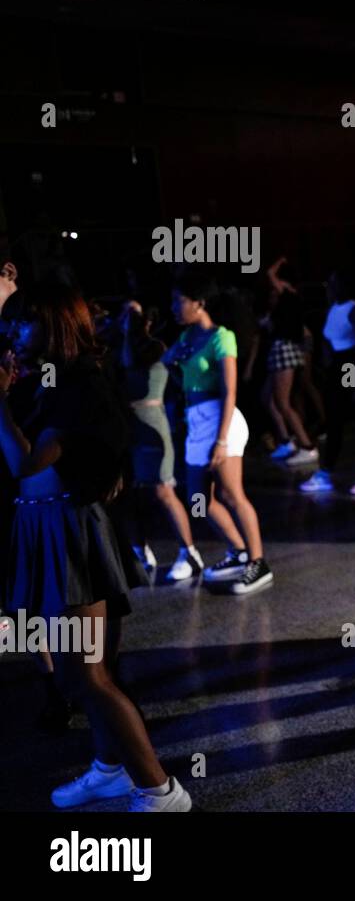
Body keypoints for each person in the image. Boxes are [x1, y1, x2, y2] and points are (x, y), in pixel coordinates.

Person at [0, 280, 192, 810]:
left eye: (24, 320)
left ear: (57, 322)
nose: (12, 331)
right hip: (49, 527)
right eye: (10, 322)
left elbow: (23, 462)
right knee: (90, 672)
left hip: (68, 534)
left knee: (84, 676)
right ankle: (110, 769)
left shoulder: (76, 380)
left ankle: (159, 790)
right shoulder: (50, 376)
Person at [164, 274, 273, 594]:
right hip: (196, 421)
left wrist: (222, 440)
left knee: (231, 494)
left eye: (178, 300)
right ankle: (238, 551)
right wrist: (172, 365)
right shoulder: (186, 339)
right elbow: (182, 380)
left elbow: (230, 391)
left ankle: (258, 562)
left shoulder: (221, 337)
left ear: (199, 303)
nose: (173, 307)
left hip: (220, 420)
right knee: (199, 499)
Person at [119, 301, 204, 583]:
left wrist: (131, 326)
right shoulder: (118, 346)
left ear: (148, 321)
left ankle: (188, 552)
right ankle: (140, 551)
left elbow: (133, 361)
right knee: (127, 495)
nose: (129, 318)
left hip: (152, 422)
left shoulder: (155, 346)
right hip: (126, 426)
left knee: (162, 491)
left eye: (135, 314)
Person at [299, 269, 355, 495]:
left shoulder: (354, 309)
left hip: (350, 365)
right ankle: (325, 472)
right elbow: (328, 338)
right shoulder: (333, 309)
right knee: (335, 421)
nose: (330, 287)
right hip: (339, 365)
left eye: (334, 283)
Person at [262, 290, 320, 466]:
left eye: (274, 296)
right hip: (280, 351)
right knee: (267, 398)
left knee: (283, 403)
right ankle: (287, 442)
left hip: (283, 352)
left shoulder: (284, 315)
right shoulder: (283, 315)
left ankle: (307, 447)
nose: (271, 297)